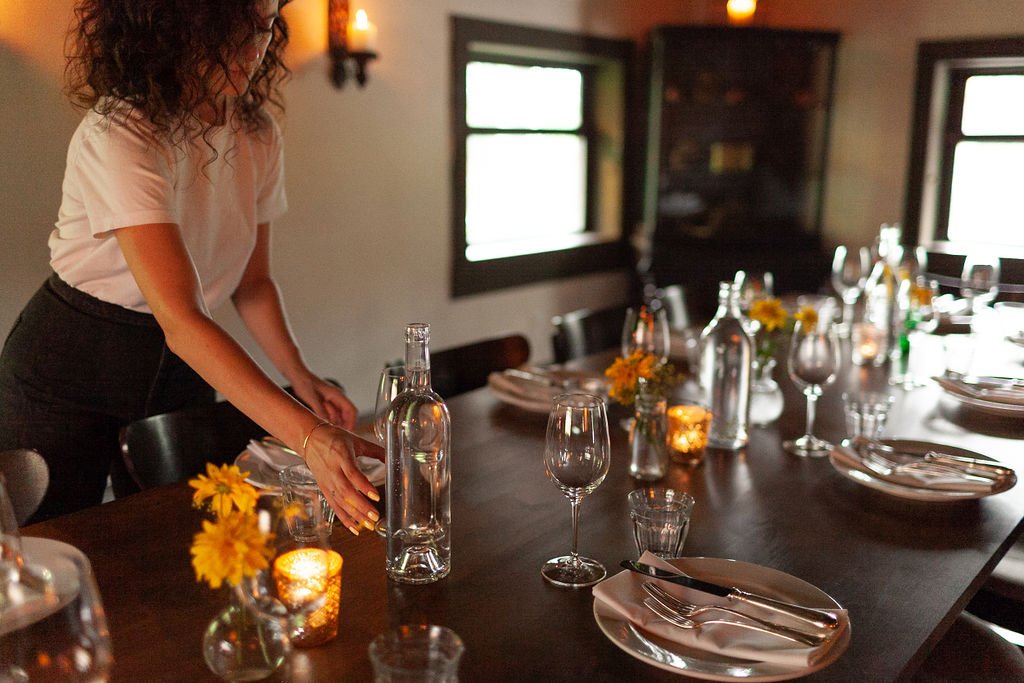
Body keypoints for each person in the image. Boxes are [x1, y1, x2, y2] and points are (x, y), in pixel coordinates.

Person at [0, 0, 382, 533]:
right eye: (231, 30)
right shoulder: (121, 131)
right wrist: (310, 437)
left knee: (183, 539)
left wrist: (300, 376)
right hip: (70, 368)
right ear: (171, 28)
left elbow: (251, 284)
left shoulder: (257, 132)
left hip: (183, 364)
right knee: (62, 545)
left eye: (265, 28)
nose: (253, 49)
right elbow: (181, 317)